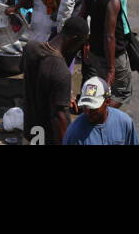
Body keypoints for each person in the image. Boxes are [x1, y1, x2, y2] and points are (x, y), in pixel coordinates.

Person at [23, 17, 90, 145]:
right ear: (74, 38)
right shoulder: (61, 71)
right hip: (46, 138)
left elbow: (38, 79)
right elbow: (60, 118)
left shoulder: (30, 48)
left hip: (29, 131)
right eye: (81, 44)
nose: (79, 49)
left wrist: (63, 94)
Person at [77, 0, 132, 106]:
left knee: (95, 88)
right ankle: (101, 114)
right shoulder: (113, 1)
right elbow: (109, 36)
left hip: (94, 52)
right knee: (120, 93)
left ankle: (90, 110)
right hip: (113, 55)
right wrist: (111, 68)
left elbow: (81, 18)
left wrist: (85, 43)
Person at [62, 77, 139, 145]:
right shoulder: (74, 133)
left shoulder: (124, 122)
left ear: (107, 102)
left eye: (93, 107)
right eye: (85, 106)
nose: (88, 112)